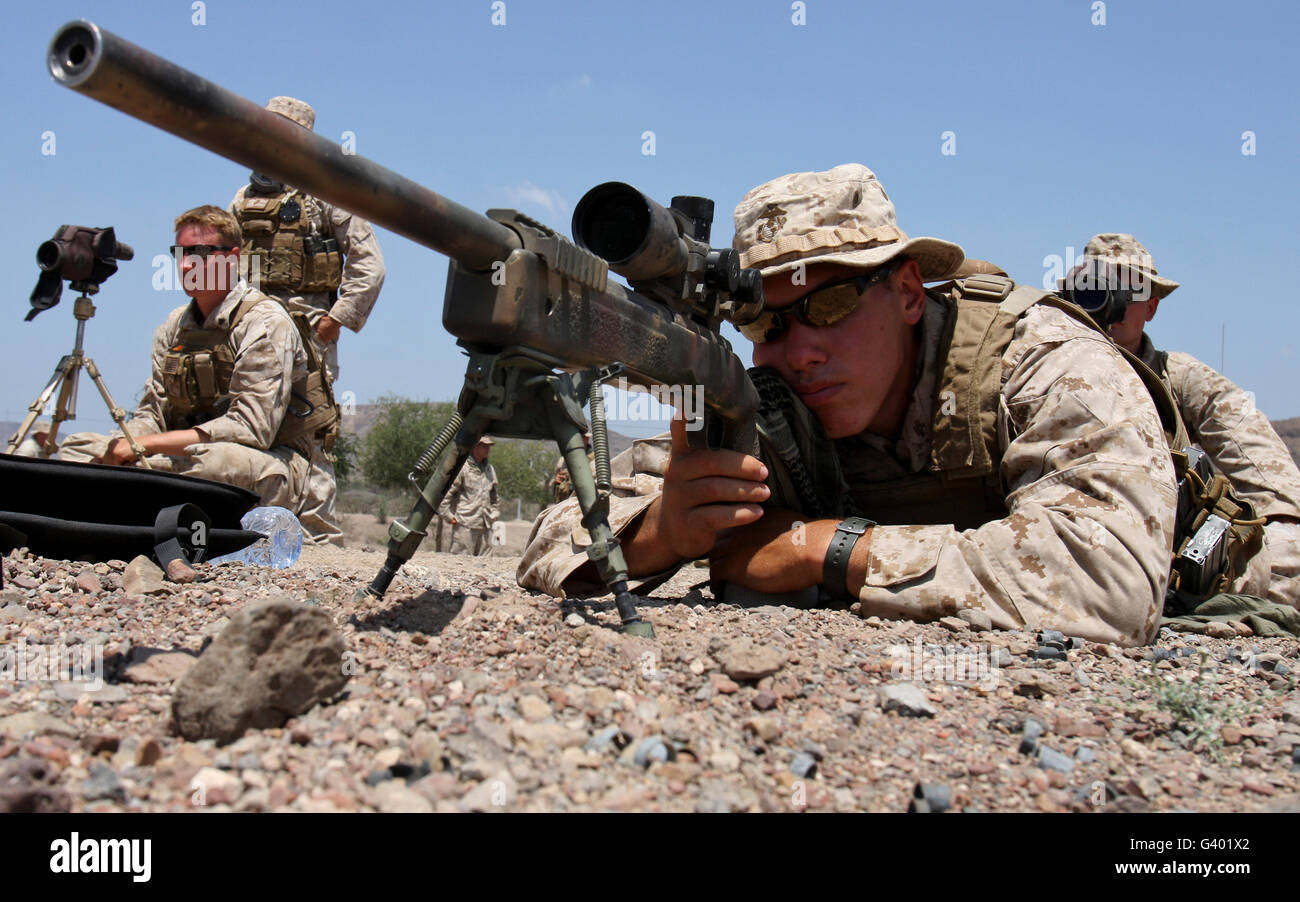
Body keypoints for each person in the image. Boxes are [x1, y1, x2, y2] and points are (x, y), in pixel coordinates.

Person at [519, 164, 1179, 646]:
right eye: (763, 323)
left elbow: (1113, 582)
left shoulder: (1041, 362)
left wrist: (823, 550)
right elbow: (551, 537)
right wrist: (662, 533)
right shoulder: (771, 406)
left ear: (909, 291)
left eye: (828, 306)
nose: (799, 351)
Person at [58, 205, 340, 539]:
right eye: (180, 252)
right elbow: (153, 412)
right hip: (183, 454)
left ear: (232, 258)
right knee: (78, 449)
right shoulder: (174, 326)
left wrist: (144, 447)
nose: (187, 263)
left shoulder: (265, 322)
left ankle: (138, 506)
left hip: (271, 466)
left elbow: (251, 428)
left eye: (201, 253)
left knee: (207, 463)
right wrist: (128, 442)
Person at [1082, 233, 1300, 610]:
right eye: (1095, 291)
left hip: (1160, 547)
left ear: (1150, 308)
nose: (1108, 307)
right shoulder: (1031, 367)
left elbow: (1275, 489)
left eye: (1124, 293)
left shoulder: (1182, 380)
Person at [229, 96, 386, 545]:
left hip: (306, 330)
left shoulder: (327, 193)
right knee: (248, 424)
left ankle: (317, 537)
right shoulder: (243, 199)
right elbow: (226, 262)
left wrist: (335, 320)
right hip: (252, 330)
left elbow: (369, 265)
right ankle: (256, 529)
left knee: (311, 426)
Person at [441, 437, 500, 555]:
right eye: (484, 446)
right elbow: (447, 493)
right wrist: (447, 515)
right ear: (475, 447)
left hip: (486, 523)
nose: (488, 449)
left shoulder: (489, 469)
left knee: (485, 563)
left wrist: (495, 512)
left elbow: (494, 495)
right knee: (461, 562)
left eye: (489, 446)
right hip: (465, 524)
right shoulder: (463, 468)